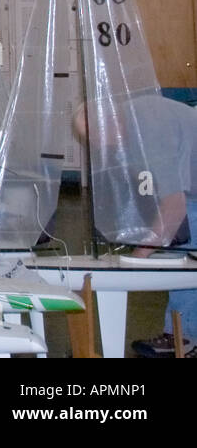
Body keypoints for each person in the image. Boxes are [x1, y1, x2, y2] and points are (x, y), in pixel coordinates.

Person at [72, 94, 197, 356]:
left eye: (95, 138)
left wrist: (137, 258)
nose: (96, 146)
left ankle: (184, 336)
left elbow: (174, 207)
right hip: (190, 182)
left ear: (110, 122)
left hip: (191, 190)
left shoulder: (150, 131)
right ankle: (181, 333)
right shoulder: (125, 124)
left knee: (187, 252)